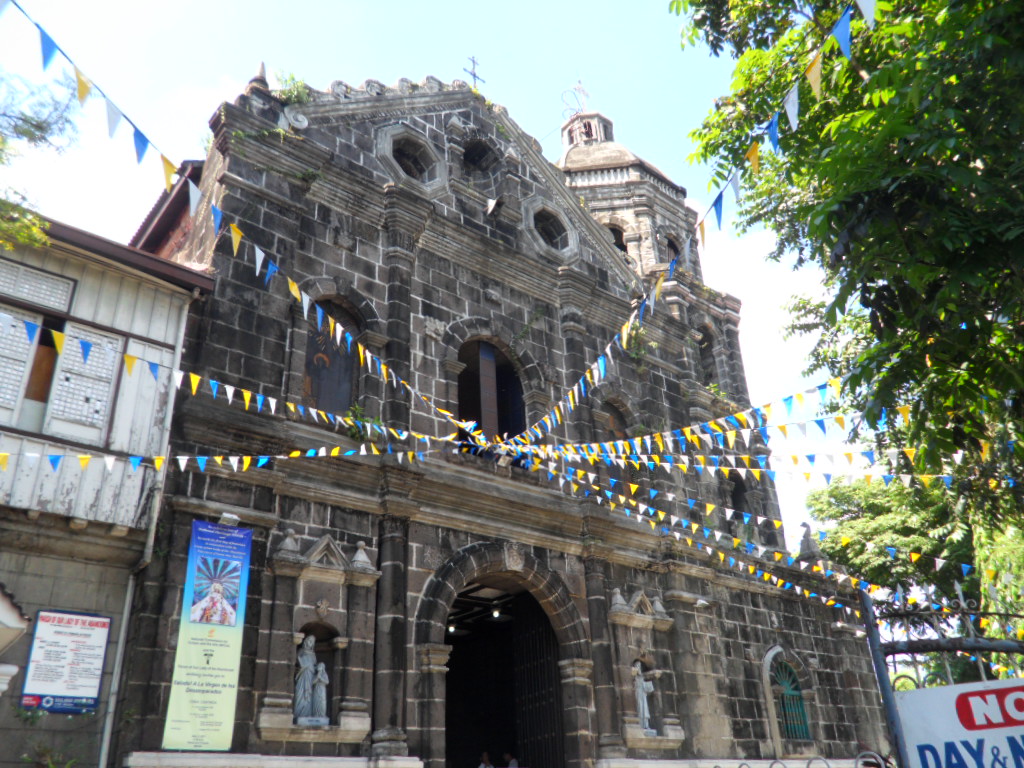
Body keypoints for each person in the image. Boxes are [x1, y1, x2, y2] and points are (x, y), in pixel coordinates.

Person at [293, 634, 317, 720]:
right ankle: (299, 713)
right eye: (309, 640)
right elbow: (297, 663)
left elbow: (315, 666)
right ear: (305, 641)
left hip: (310, 676)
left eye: (312, 642)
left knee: (309, 696)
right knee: (300, 693)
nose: (310, 643)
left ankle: (307, 714)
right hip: (302, 676)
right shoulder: (301, 651)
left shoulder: (313, 654)